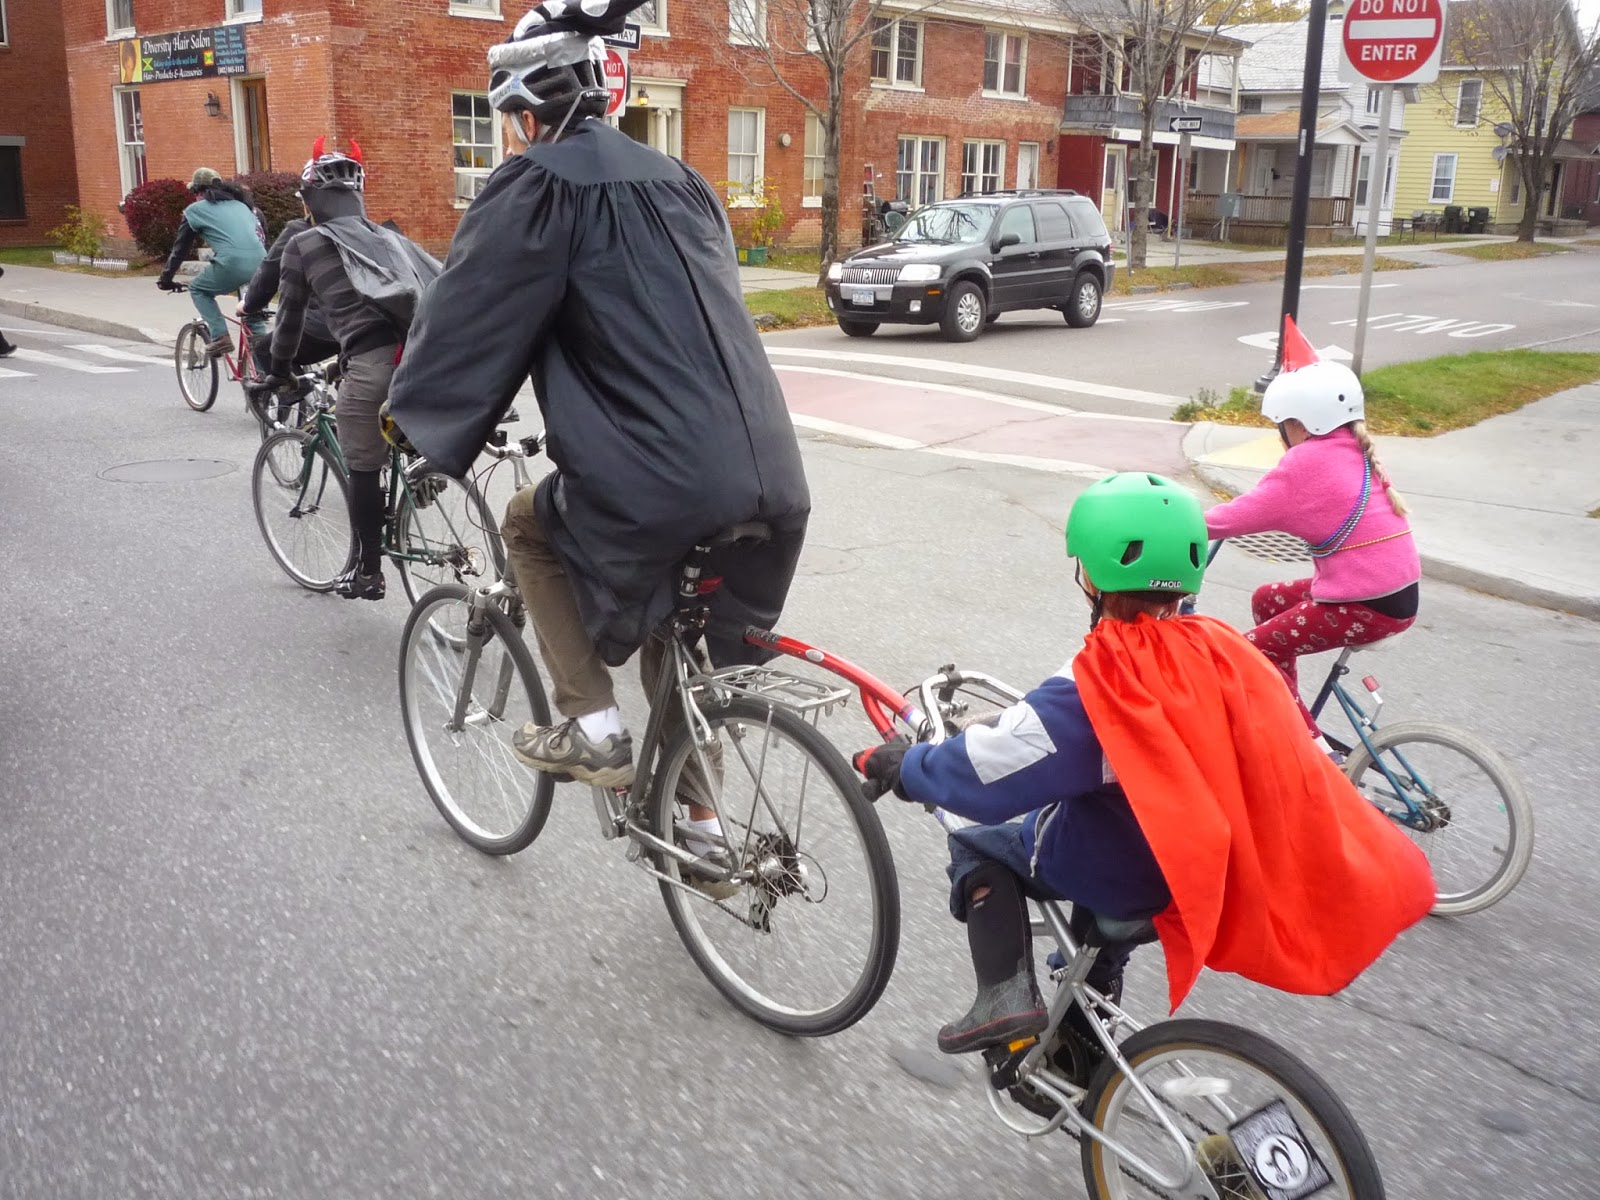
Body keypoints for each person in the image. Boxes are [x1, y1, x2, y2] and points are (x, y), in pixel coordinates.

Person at [384, 0, 809, 805]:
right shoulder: (680, 180)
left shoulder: (537, 186)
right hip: (767, 468)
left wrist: (411, 421)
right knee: (672, 623)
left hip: (657, 474)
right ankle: (707, 831)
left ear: (524, 111)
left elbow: (471, 311)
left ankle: (593, 727)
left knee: (524, 525)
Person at [856, 472, 1434, 1061]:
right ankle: (1089, 1019)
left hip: (1125, 870)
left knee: (981, 846)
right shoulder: (1229, 651)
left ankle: (1004, 999)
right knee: (1111, 869)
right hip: (1198, 875)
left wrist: (908, 767)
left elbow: (988, 773)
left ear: (1089, 577)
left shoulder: (1097, 687)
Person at [1205, 317, 1420, 748]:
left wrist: (1169, 524)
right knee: (1266, 599)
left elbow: (1238, 516)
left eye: (1281, 423)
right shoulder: (1352, 447)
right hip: (1389, 594)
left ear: (1301, 423)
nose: (1281, 433)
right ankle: (1285, 705)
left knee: (1246, 654)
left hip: (1365, 605)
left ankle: (1308, 747)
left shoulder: (1307, 463)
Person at [262, 139, 436, 601]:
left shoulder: (303, 244)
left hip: (374, 362)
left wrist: (280, 371)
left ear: (310, 200)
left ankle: (367, 572)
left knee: (362, 466)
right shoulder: (388, 238)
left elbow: (289, 322)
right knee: (394, 432)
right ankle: (427, 470)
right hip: (425, 360)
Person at [155, 168, 268, 357]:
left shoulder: (195, 210)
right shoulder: (243, 206)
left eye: (194, 193)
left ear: (199, 192)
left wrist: (165, 279)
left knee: (199, 289)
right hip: (262, 263)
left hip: (232, 264)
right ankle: (264, 373)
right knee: (252, 316)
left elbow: (180, 250)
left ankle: (220, 337)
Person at [238, 213, 340, 383]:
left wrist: (249, 305)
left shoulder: (299, 231)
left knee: (265, 351)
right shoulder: (364, 230)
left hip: (321, 324)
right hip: (363, 327)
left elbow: (269, 275)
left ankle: (297, 392)